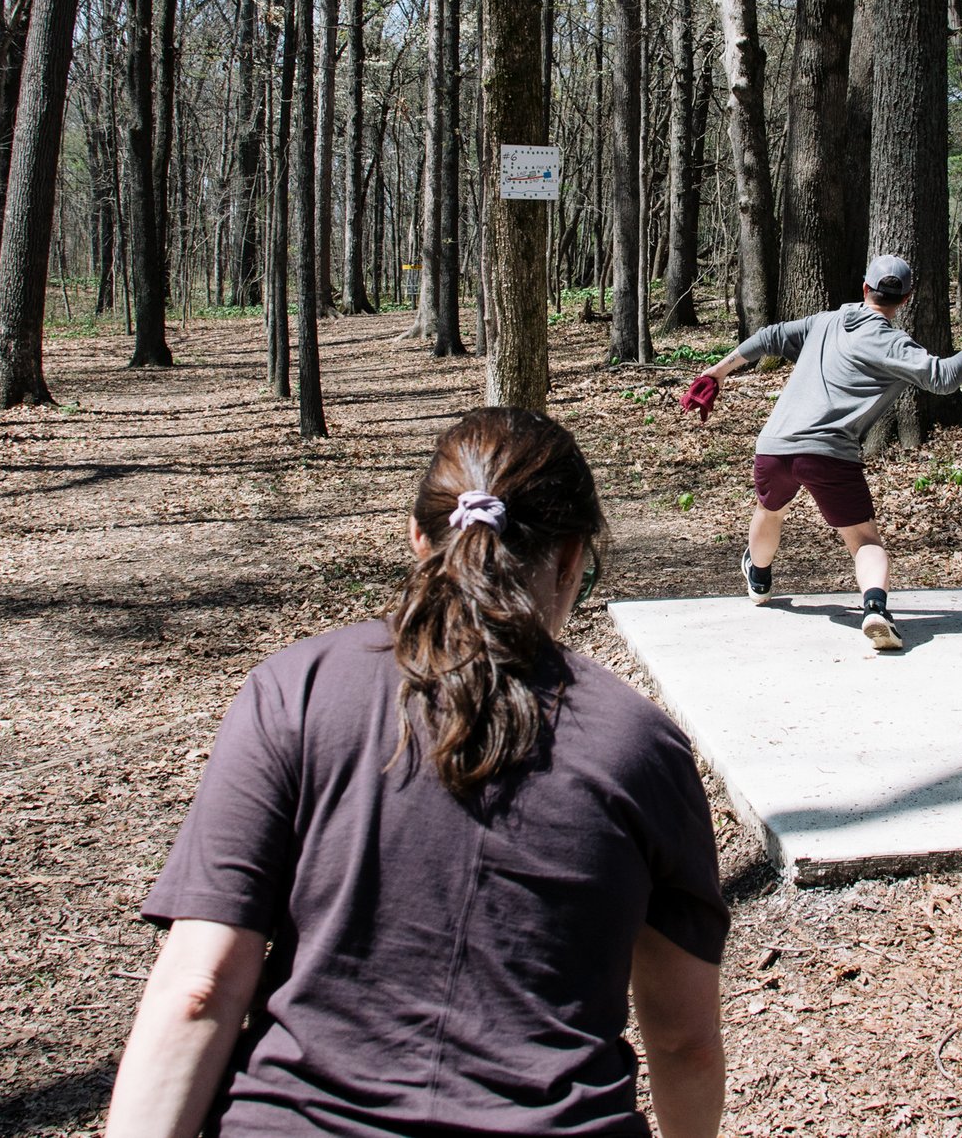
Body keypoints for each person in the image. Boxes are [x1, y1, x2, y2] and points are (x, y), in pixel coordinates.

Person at [104, 409, 729, 1138]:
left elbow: (200, 987)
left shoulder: (294, 693)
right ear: (570, 560)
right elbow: (683, 1040)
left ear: (417, 539)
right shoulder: (641, 747)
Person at [681, 255, 962, 651]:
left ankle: (760, 577)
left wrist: (715, 372)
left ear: (865, 289)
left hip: (774, 446)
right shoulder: (891, 343)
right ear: (905, 299)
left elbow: (766, 337)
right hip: (829, 453)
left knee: (769, 512)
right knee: (863, 540)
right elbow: (943, 378)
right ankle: (874, 609)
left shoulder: (825, 321)